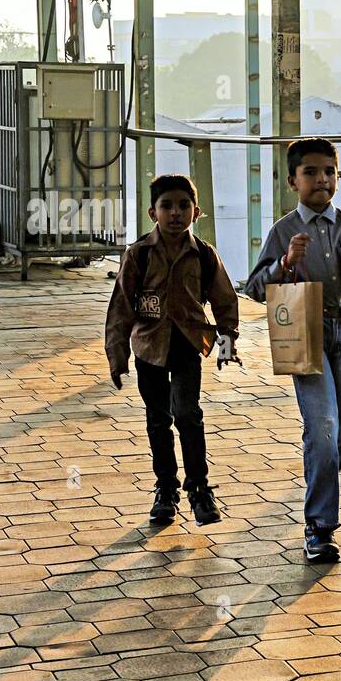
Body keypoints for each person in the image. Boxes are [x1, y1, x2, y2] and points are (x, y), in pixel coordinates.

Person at [244, 138, 341, 564]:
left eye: (329, 172)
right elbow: (254, 287)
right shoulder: (282, 231)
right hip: (305, 332)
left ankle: (319, 479)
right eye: (311, 173)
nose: (322, 180)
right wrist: (284, 262)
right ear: (292, 181)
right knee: (321, 428)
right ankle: (319, 528)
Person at [105, 174, 241, 527]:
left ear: (196, 212)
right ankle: (166, 489)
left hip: (186, 346)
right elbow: (121, 308)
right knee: (158, 420)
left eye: (183, 206)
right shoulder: (139, 255)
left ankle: (199, 489)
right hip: (148, 348)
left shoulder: (204, 255)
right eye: (167, 206)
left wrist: (227, 342)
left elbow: (225, 301)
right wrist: (117, 356)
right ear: (153, 212)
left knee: (188, 415)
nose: (175, 213)